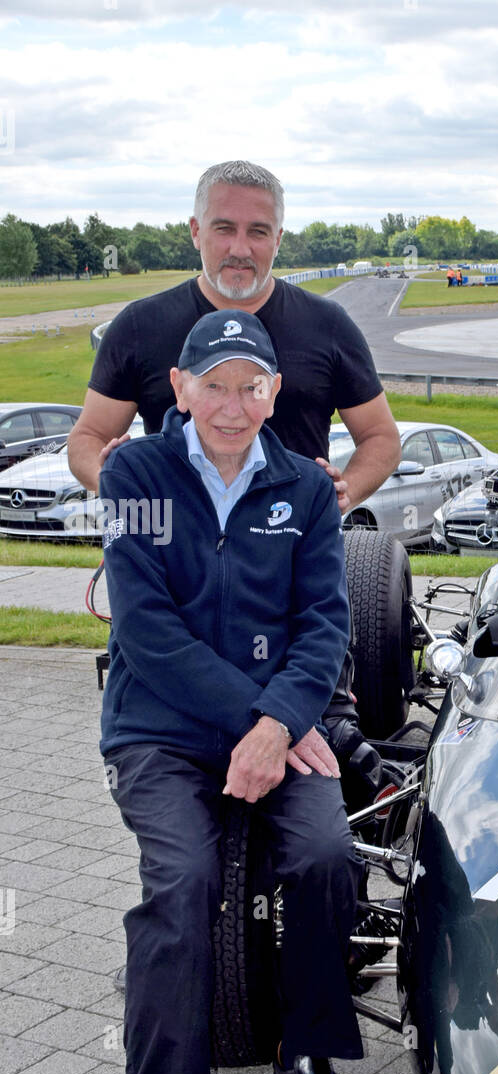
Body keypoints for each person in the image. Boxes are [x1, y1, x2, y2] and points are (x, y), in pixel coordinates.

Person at [102, 309, 367, 1074]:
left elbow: (324, 624)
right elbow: (145, 629)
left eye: (249, 386)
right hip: (162, 729)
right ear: (179, 389)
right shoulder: (135, 476)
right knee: (182, 884)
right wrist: (259, 725)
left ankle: (309, 1053)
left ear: (273, 392)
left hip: (281, 726)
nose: (230, 404)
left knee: (328, 855)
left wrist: (279, 723)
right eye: (212, 385)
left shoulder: (305, 486)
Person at [70, 160, 397, 828]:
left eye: (258, 231)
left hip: (291, 580)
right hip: (182, 585)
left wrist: (340, 492)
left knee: (331, 797)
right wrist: (132, 497)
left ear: (279, 237)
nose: (240, 247)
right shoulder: (141, 325)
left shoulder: (328, 326)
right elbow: (88, 439)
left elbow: (381, 439)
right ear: (196, 231)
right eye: (224, 228)